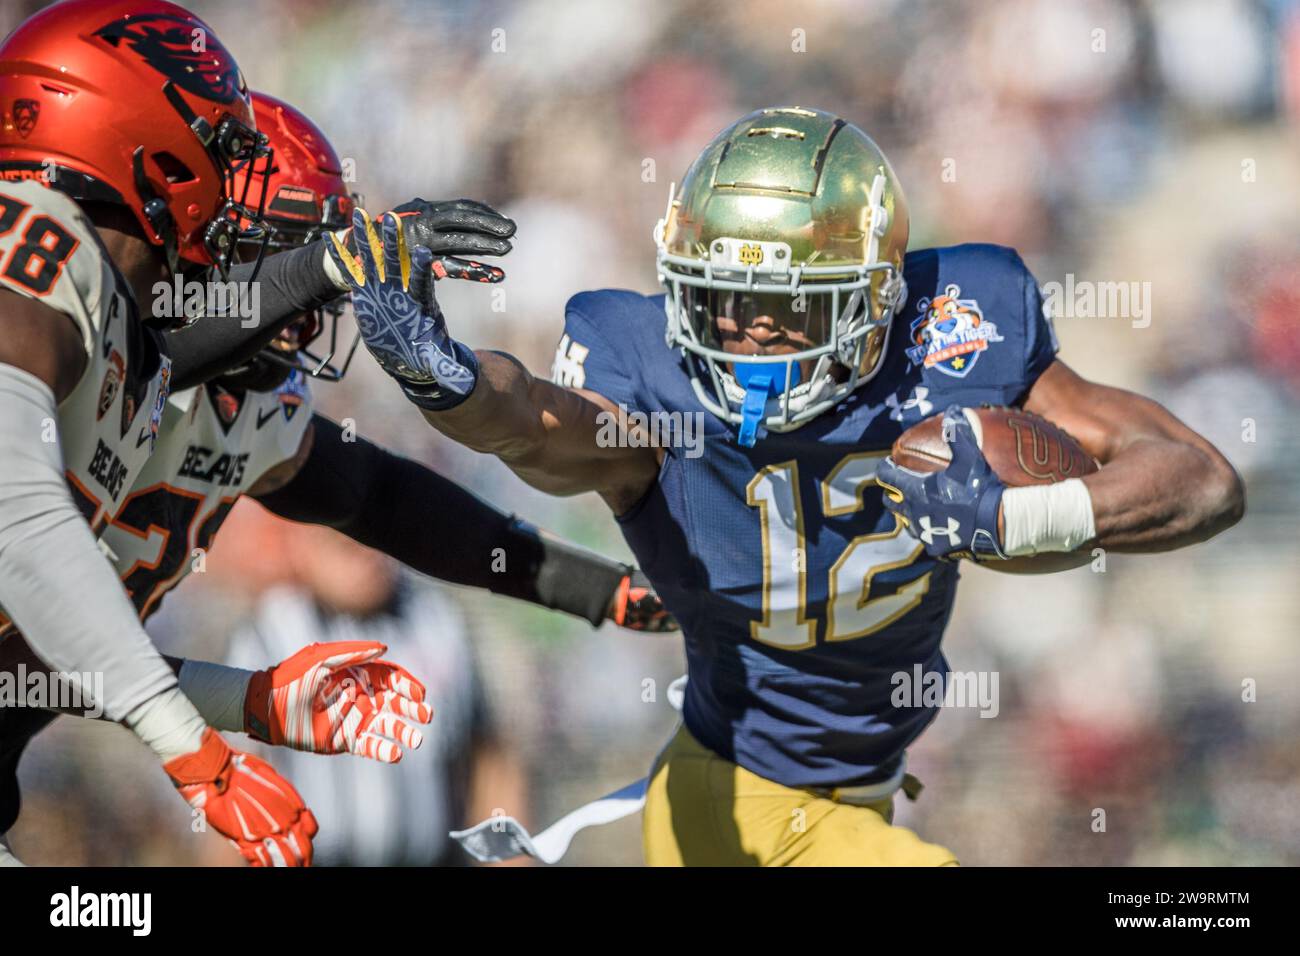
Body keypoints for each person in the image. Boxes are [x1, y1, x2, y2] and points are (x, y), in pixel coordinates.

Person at [327, 106, 1245, 866]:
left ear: (877, 295)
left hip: (846, 797)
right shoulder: (648, 374)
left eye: (787, 304)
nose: (747, 330)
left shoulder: (956, 324)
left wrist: (1026, 515)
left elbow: (1202, 477)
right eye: (720, 296)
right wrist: (443, 376)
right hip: (741, 800)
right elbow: (535, 420)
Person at [0, 84, 672, 864]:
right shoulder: (78, 350)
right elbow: (139, 379)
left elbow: (386, 499)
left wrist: (595, 588)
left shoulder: (239, 415)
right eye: (281, 256)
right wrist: (207, 738)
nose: (310, 318)